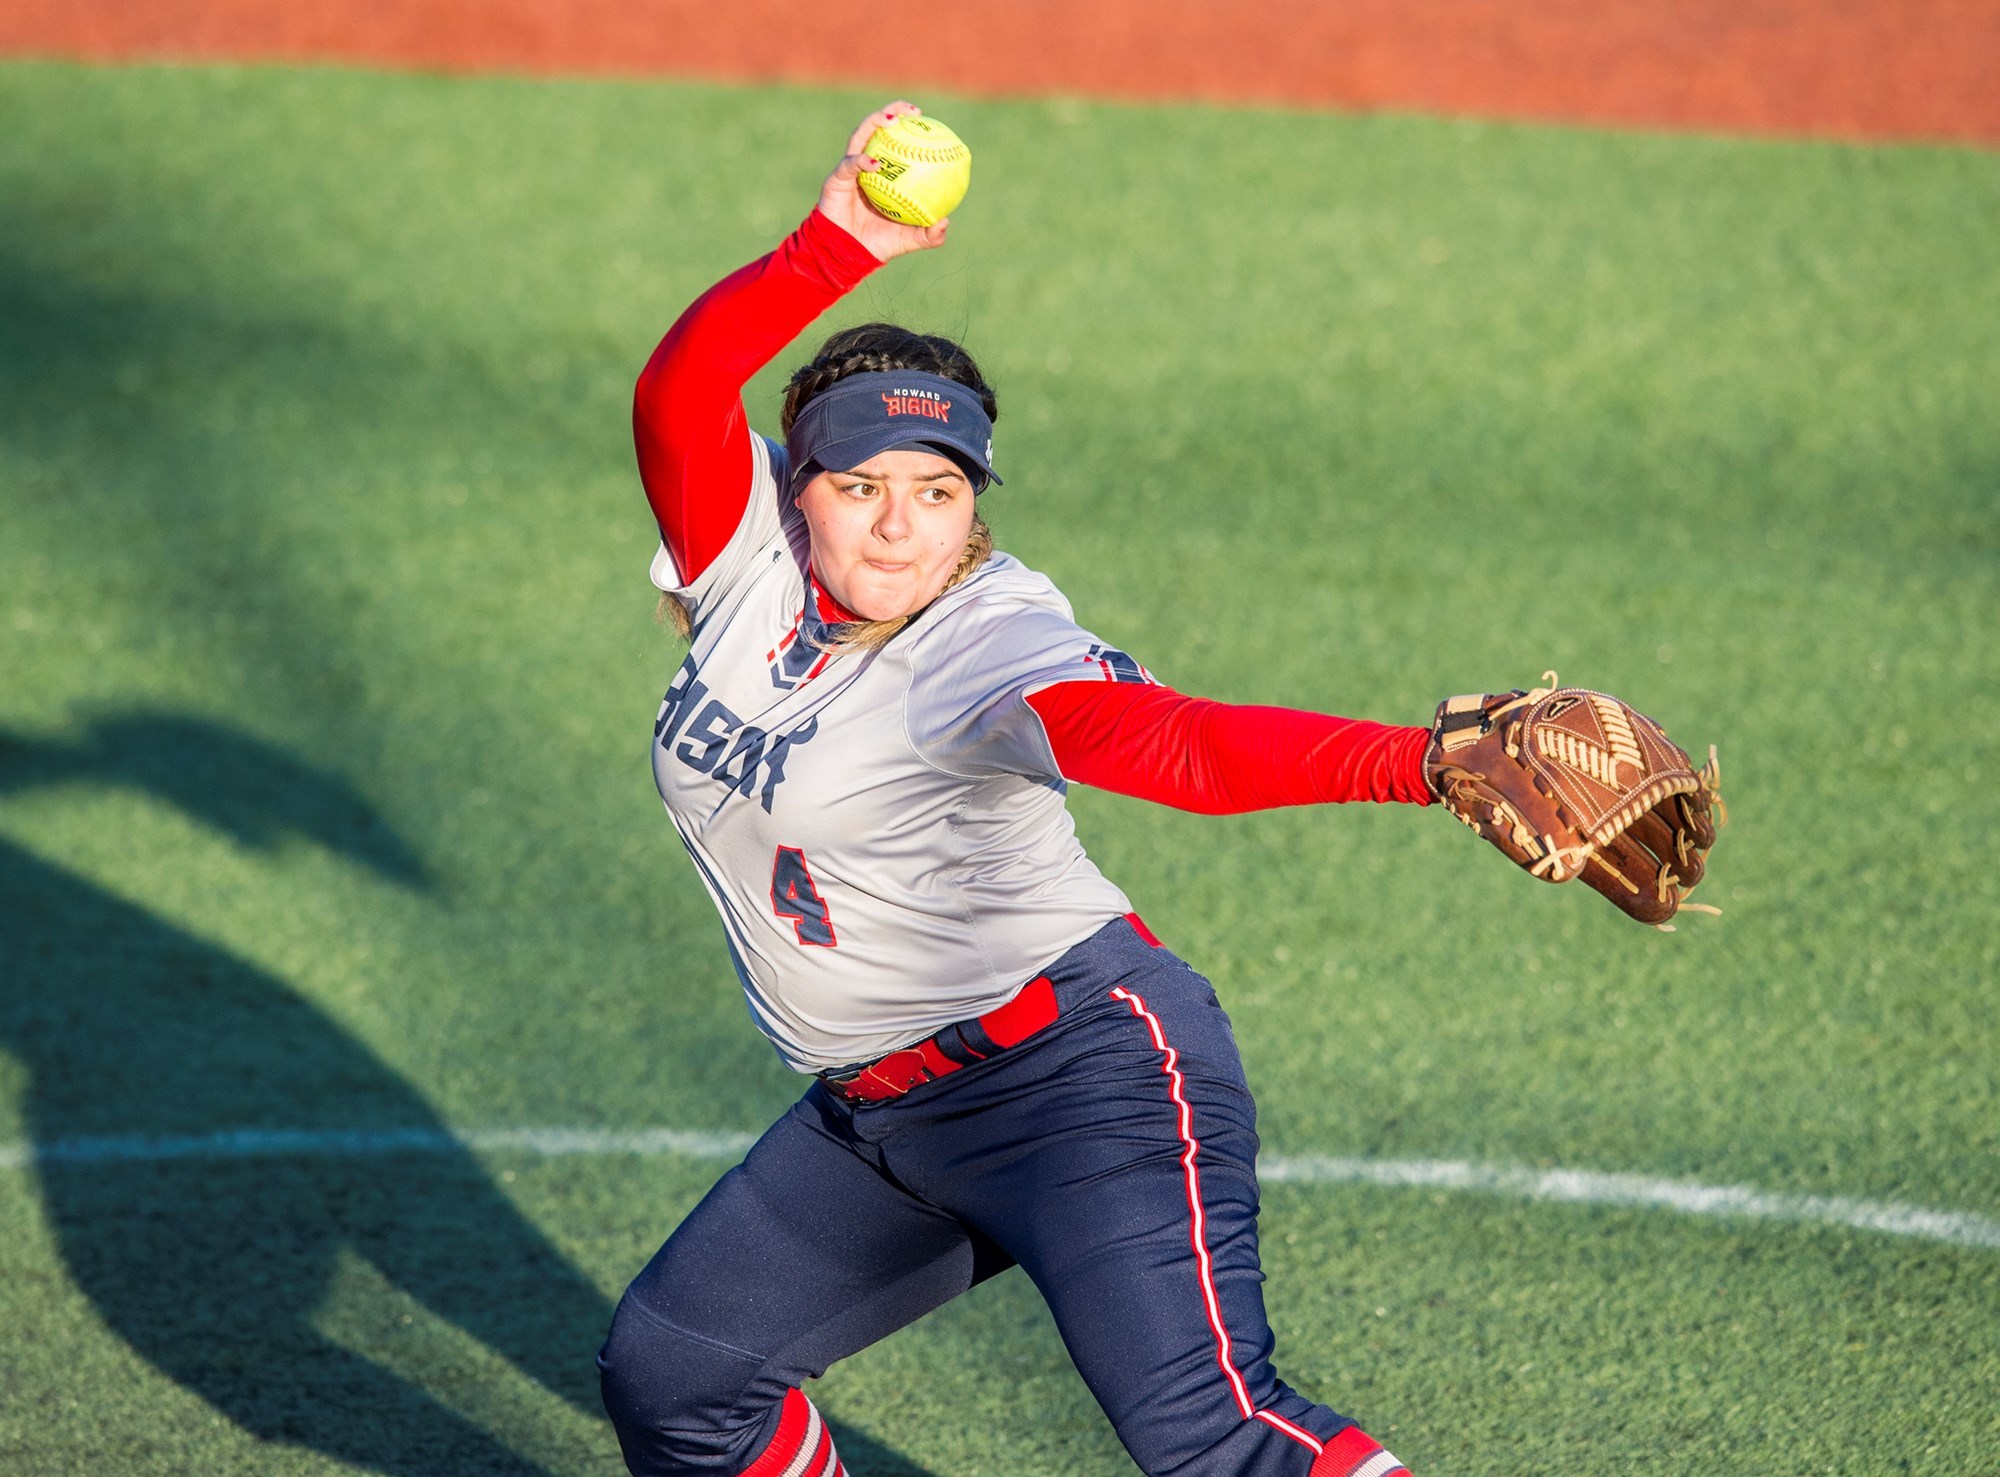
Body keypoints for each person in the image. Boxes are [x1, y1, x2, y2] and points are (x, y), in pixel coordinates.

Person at [598, 102, 1430, 1477]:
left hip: (1082, 1078)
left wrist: (1419, 762)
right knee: (681, 1378)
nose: (897, 526)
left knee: (1217, 1437)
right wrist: (833, 245)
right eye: (860, 483)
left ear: (974, 502)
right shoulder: (745, 563)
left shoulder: (988, 636)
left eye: (937, 491)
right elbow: (677, 392)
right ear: (799, 486)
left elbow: (1176, 747)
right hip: (878, 1118)